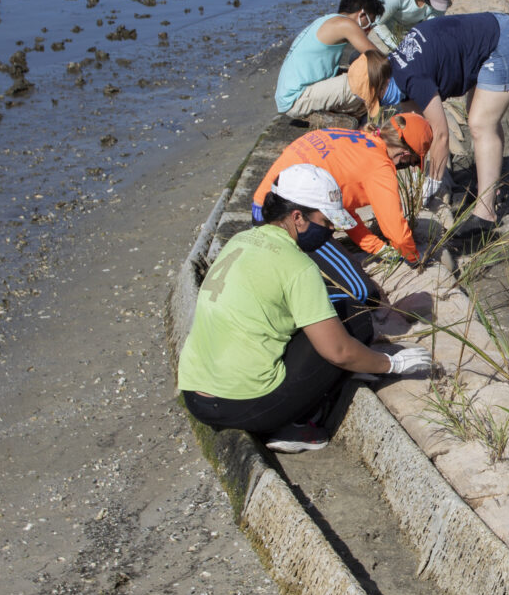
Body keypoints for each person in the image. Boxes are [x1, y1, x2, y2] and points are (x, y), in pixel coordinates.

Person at [178, 163, 430, 453]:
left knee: (323, 315)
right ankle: (295, 425)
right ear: (297, 217)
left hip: (196, 396)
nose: (332, 229)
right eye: (325, 221)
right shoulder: (298, 266)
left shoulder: (241, 240)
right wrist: (392, 364)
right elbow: (338, 351)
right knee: (355, 320)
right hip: (244, 406)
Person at [353, 10, 509, 240]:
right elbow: (417, 128)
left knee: (480, 123)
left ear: (384, 83)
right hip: (489, 36)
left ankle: (485, 216)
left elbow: (440, 135)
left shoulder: (412, 77)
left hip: (505, 42)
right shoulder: (395, 67)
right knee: (482, 118)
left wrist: (432, 182)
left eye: (377, 98)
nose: (382, 105)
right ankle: (489, 185)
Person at [251, 113, 435, 267]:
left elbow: (343, 210)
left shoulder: (354, 138)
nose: (407, 167)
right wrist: (414, 259)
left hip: (261, 206)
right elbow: (397, 232)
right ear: (405, 155)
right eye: (411, 163)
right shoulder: (380, 168)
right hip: (288, 222)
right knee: (358, 285)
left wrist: (378, 248)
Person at [273, 0, 386, 120]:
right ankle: (358, 122)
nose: (369, 30)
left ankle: (354, 117)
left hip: (290, 96)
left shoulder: (328, 20)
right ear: (362, 15)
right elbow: (378, 59)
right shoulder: (346, 24)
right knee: (366, 80)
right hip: (297, 99)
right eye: (370, 23)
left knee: (354, 74)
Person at [369, 0, 454, 52]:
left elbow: (432, 24)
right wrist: (398, 47)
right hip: (391, 27)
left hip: (414, 25)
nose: (434, 4)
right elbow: (378, 23)